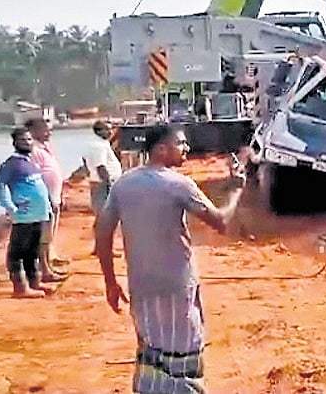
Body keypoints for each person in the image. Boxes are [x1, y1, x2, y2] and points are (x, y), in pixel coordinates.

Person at [95, 124, 245, 393]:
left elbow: (103, 231)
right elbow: (221, 221)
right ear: (162, 149)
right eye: (181, 143)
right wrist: (235, 189)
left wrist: (110, 281)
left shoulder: (124, 183)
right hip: (176, 286)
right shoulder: (178, 184)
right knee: (184, 350)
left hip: (141, 286)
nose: (186, 148)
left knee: (152, 348)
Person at [0, 127, 55, 298]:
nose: (27, 143)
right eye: (23, 140)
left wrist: (49, 205)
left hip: (39, 215)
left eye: (29, 139)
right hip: (23, 217)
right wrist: (10, 207)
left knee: (33, 252)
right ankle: (20, 287)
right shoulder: (11, 164)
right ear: (14, 143)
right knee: (17, 253)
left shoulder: (31, 161)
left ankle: (34, 283)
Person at [25, 117, 68, 282]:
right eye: (45, 129)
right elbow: (35, 176)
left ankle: (48, 266)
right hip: (44, 200)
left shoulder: (44, 148)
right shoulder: (33, 150)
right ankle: (44, 271)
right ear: (34, 131)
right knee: (42, 238)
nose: (49, 132)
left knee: (48, 236)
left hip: (52, 197)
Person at [82, 119, 123, 255]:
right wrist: (108, 183)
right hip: (103, 184)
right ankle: (104, 249)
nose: (111, 131)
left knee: (101, 217)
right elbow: (101, 167)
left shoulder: (95, 144)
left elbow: (85, 162)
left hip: (99, 183)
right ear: (98, 131)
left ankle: (99, 248)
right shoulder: (99, 146)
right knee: (106, 218)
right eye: (107, 129)